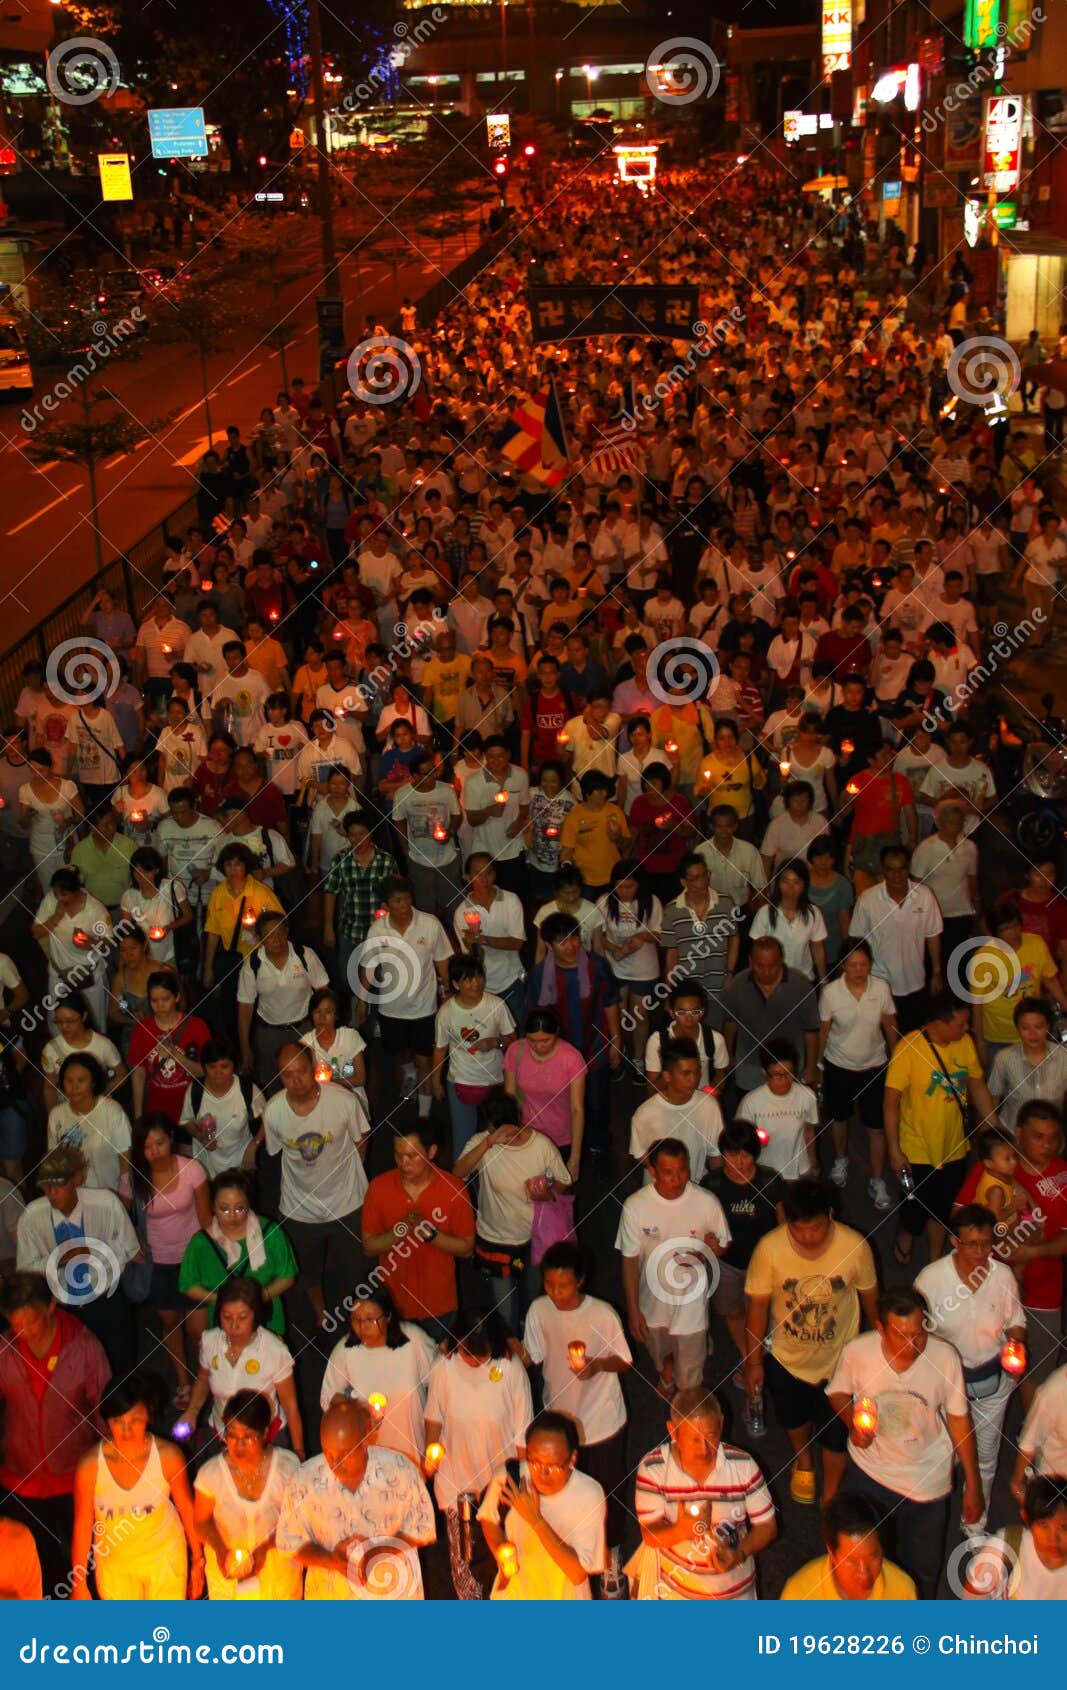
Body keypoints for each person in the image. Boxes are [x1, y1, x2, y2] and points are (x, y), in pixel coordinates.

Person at [828, 1285, 982, 1599]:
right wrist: (852, 1424)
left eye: (919, 1333)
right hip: (869, 1474)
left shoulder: (945, 1357)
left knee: (922, 1571)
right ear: (881, 1328)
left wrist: (974, 1484)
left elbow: (958, 1420)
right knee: (866, 1564)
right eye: (901, 1335)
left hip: (928, 1482)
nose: (912, 1344)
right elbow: (837, 1392)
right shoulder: (858, 1352)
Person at [744, 1178, 878, 1507]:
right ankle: (804, 1460)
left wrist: (880, 1351)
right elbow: (757, 1308)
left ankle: (831, 1492)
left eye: (815, 1228)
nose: (806, 1237)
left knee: (837, 1431)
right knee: (793, 1418)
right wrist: (753, 1361)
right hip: (787, 1358)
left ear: (830, 1216)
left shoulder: (854, 1246)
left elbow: (872, 1301)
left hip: (840, 1359)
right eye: (797, 1229)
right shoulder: (769, 1249)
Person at [917, 1203, 1026, 1532]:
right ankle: (928, 1515)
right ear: (954, 1241)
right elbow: (916, 1336)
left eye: (986, 1244)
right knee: (942, 1454)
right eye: (972, 1244)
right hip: (947, 1386)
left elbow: (1016, 1321)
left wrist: (1015, 1344)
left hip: (992, 1381)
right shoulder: (931, 1280)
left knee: (986, 1457)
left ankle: (975, 1522)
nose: (981, 1252)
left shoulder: (1002, 1275)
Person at [0, 1271, 110, 1594]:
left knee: (85, 1568)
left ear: (50, 1306)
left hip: (74, 1478)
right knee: (37, 1575)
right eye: (15, 1325)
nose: (24, 1334)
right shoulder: (5, 1351)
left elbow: (106, 1415)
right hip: (20, 1480)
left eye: (30, 1323)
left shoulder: (85, 1347)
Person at [522, 1242, 631, 1551]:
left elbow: (624, 1361)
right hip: (560, 1418)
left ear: (580, 1281)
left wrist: (596, 1365)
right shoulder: (538, 1310)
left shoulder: (602, 1314)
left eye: (564, 1286)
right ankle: (569, 1547)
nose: (556, 1293)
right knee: (565, 1489)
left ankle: (611, 1550)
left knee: (608, 1489)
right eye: (549, 1284)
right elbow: (534, 1355)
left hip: (601, 1419)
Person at [276, 1397, 435, 1600]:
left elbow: (422, 1528)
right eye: (328, 1454)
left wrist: (378, 1551)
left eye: (345, 1453)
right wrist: (331, 1561)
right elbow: (290, 1542)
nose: (335, 1463)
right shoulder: (304, 1480)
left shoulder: (399, 1470)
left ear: (366, 1437)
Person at [423, 1309, 533, 1600]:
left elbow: (524, 1434)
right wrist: (430, 1458)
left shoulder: (510, 1369)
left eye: (479, 1355)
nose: (472, 1362)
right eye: (467, 1353)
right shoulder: (444, 1367)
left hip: (498, 1488)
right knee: (466, 1572)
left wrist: (523, 1488)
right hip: (457, 1486)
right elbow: (433, 1417)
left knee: (505, 1565)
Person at [262, 1043, 369, 1334]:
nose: (296, 1081)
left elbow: (362, 1138)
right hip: (300, 1207)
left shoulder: (344, 1100)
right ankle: (320, 1312)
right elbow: (275, 1152)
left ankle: (360, 1316)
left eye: (301, 1072)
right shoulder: (273, 1112)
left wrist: (350, 1171)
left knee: (356, 1271)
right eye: (287, 1075)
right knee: (307, 1271)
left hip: (347, 1201)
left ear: (313, 1068)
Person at [884, 992, 997, 1265]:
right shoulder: (908, 1048)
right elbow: (890, 1103)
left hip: (955, 1146)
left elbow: (977, 1085)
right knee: (914, 1208)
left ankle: (934, 1258)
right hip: (917, 1149)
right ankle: (907, 1234)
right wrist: (895, 1150)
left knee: (943, 1208)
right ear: (940, 1023)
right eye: (961, 1023)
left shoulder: (964, 1043)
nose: (967, 1028)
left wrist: (994, 1128)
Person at [632, 1388, 776, 1600]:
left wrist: (740, 1553)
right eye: (694, 1439)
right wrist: (681, 1530)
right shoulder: (653, 1469)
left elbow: (767, 1526)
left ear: (722, 1424)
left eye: (711, 1436)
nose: (704, 1450)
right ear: (673, 1431)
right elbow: (650, 1535)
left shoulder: (743, 1465)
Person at [70, 1373, 202, 1600]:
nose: (126, 1431)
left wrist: (198, 1561)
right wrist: (79, 1583)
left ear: (149, 1416)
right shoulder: (90, 1466)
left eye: (135, 1421)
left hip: (164, 1562)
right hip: (115, 1568)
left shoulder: (168, 1457)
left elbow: (187, 1509)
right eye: (117, 1422)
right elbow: (83, 1523)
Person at [616, 1138, 730, 1398]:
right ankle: (667, 1369)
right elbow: (629, 1260)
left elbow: (722, 1244)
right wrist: (633, 1309)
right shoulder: (635, 1206)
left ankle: (685, 1417)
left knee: (690, 1378)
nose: (677, 1179)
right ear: (652, 1171)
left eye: (682, 1170)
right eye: (668, 1173)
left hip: (692, 1302)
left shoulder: (706, 1201)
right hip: (652, 1301)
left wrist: (713, 1250)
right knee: (660, 1353)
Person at [16, 1146, 140, 1376]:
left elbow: (130, 1250)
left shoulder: (106, 1203)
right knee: (72, 1375)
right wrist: (59, 1259)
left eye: (58, 1185)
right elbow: (26, 1274)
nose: (52, 1193)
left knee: (120, 1370)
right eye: (46, 1187)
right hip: (62, 1310)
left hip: (107, 1301)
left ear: (77, 1179)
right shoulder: (32, 1218)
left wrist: (95, 1252)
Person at [453, 1094, 571, 1332]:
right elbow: (456, 1175)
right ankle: (511, 1351)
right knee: (505, 1311)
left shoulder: (540, 1145)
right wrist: (488, 1143)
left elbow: (563, 1181)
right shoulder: (482, 1143)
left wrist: (545, 1185)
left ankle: (532, 1346)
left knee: (534, 1298)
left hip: (535, 1239)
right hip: (496, 1239)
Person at [124, 1114, 211, 1408]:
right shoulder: (134, 1178)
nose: (155, 1151)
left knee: (198, 1329)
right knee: (170, 1322)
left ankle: (205, 1378)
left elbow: (206, 1218)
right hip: (159, 1263)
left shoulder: (192, 1171)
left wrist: (217, 1255)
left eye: (160, 1143)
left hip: (193, 1259)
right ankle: (183, 1382)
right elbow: (123, 1217)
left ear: (170, 1139)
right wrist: (131, 1246)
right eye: (147, 1147)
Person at [361, 1124, 475, 1341]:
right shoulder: (379, 1187)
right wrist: (401, 1230)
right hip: (394, 1303)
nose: (404, 1163)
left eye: (412, 1156)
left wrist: (431, 1234)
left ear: (431, 1152)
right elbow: (368, 1247)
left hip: (439, 1304)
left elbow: (466, 1249)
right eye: (398, 1155)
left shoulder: (454, 1189)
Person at [478, 1411, 607, 1601]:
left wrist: (536, 1520)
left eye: (553, 1466)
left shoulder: (589, 1495)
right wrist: (500, 1550)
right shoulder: (509, 1478)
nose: (543, 1473)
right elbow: (488, 1518)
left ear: (572, 1459)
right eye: (535, 1463)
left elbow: (577, 1573)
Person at [355, 874, 453, 1119]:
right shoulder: (378, 928)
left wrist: (450, 991)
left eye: (406, 898)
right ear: (386, 906)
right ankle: (408, 1074)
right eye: (396, 901)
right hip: (391, 1008)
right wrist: (362, 999)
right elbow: (369, 965)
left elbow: (442, 960)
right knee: (399, 1053)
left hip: (424, 1008)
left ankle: (424, 1113)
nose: (403, 905)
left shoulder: (430, 924)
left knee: (424, 1059)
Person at [526, 912, 622, 1155]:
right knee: (563, 1103)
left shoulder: (596, 965)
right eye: (562, 941)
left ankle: (597, 1147)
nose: (571, 946)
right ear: (548, 945)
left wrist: (616, 1039)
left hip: (595, 1044)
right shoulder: (539, 974)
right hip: (558, 1051)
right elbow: (535, 1015)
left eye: (574, 939)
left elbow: (610, 1002)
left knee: (597, 1101)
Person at [193, 1388, 302, 1600]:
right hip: (230, 1583)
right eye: (232, 1436)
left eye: (248, 1437)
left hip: (279, 1580)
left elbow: (299, 1519)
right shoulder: (210, 1474)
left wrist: (266, 1547)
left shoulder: (288, 1467)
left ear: (264, 1433)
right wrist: (220, 1549)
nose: (238, 1445)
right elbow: (201, 1521)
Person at [185, 1277, 304, 1462]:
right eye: (227, 1317)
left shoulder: (274, 1350)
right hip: (222, 1436)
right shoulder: (210, 1342)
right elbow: (202, 1378)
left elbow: (290, 1405)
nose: (233, 1325)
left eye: (242, 1317)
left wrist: (298, 1452)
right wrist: (191, 1411)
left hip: (267, 1439)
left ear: (256, 1315)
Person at [818, 940, 898, 1207]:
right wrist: (817, 1066)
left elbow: (890, 1026)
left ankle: (877, 1179)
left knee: (876, 1128)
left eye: (863, 964)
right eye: (852, 965)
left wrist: (897, 1061)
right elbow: (824, 1030)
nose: (858, 970)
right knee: (839, 1120)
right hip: (839, 1066)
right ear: (843, 966)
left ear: (870, 965)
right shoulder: (831, 993)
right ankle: (841, 1160)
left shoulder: (881, 989)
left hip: (874, 1066)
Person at [320, 1287, 436, 1467]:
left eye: (370, 1320)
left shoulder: (413, 1340)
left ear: (388, 1316)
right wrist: (356, 1409)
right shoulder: (345, 1351)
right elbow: (329, 1399)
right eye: (355, 1320)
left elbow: (440, 1381)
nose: (362, 1327)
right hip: (371, 1462)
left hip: (412, 1456)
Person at [179, 1167, 296, 1336]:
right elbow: (188, 1284)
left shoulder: (270, 1233)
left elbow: (288, 1276)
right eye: (224, 1209)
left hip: (266, 1320)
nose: (232, 1216)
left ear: (249, 1204)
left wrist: (261, 1297)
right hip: (224, 1324)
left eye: (239, 1208)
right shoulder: (201, 1243)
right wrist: (219, 1299)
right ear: (213, 1207)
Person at [849, 845, 943, 1033]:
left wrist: (937, 970)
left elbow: (933, 934)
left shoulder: (924, 895)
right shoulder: (868, 899)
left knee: (914, 1037)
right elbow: (856, 941)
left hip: (915, 981)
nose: (897, 876)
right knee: (883, 1039)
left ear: (908, 868)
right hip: (879, 982)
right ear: (883, 871)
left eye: (902, 869)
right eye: (891, 870)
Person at [431, 954, 515, 1159]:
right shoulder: (446, 1012)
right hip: (461, 1081)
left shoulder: (496, 1005)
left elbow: (513, 1041)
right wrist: (435, 1081)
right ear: (456, 984)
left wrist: (495, 1043)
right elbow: (440, 1048)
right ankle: (465, 1184)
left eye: (479, 977)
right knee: (463, 1141)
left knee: (499, 1138)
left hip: (495, 1080)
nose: (476, 983)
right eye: (468, 979)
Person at [236, 911, 330, 1087]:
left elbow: (324, 995)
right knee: (273, 1083)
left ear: (287, 931)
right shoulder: (253, 964)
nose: (277, 939)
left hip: (304, 1030)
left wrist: (325, 1030)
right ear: (260, 938)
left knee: (308, 1080)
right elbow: (245, 1009)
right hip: (269, 1034)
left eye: (280, 932)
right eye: (269, 934)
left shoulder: (305, 955)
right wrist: (245, 1049)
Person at [722, 935, 821, 1098]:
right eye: (760, 966)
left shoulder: (801, 986)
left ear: (781, 960)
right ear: (750, 961)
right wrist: (728, 1055)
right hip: (749, 1068)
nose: (766, 972)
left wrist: (811, 1068)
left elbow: (811, 1031)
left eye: (772, 966)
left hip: (788, 1070)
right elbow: (730, 1023)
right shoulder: (738, 984)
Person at [780, 1494, 917, 1600]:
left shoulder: (903, 1590)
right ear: (831, 1552)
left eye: (873, 1557)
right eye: (852, 1561)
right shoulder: (799, 1595)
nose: (864, 1572)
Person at [503, 1009, 585, 1178]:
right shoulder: (515, 1051)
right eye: (532, 1040)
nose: (538, 1046)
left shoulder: (571, 1058)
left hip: (560, 1139)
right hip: (525, 1135)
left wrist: (575, 1158)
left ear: (557, 1033)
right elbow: (509, 1098)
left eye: (545, 1040)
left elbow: (577, 1109)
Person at [628, 1039, 724, 1178]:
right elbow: (640, 1154)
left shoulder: (709, 1105)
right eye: (686, 1074)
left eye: (697, 1072)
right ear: (667, 1076)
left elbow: (716, 1154)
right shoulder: (645, 1114)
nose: (693, 1079)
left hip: (697, 1190)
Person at [127, 970, 209, 1125]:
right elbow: (138, 1074)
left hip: (192, 1111)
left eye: (165, 999)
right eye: (154, 1001)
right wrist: (138, 1115)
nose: (160, 1006)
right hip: (157, 1113)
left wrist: (174, 1054)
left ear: (177, 997)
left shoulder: (197, 1026)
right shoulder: (141, 1030)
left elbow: (204, 1072)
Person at [965, 1475, 1067, 1599]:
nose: (1053, 1539)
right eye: (1043, 1525)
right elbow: (974, 1595)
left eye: (1064, 1527)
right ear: (1027, 1519)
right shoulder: (1010, 1543)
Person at [46, 1052, 132, 1192]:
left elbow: (125, 1162)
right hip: (73, 1197)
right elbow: (55, 1164)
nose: (74, 1087)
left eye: (81, 1081)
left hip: (108, 1196)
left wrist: (125, 1197)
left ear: (93, 1081)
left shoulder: (113, 1111)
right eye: (69, 1081)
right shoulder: (56, 1115)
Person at [179, 1039, 264, 1178]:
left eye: (224, 1066)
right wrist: (200, 1136)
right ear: (204, 1067)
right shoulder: (195, 1091)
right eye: (212, 1067)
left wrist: (254, 1145)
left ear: (233, 1066)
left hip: (240, 1164)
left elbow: (269, 1119)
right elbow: (186, 1121)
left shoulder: (246, 1089)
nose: (218, 1072)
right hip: (206, 1167)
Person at [988, 997, 1067, 1132]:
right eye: (1025, 1028)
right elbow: (992, 1100)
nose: (1032, 1034)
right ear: (1017, 1028)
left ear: (1048, 1027)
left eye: (1038, 1027)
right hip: (1013, 1137)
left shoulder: (1063, 1056)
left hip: (1051, 1139)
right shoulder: (1004, 1058)